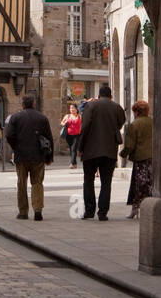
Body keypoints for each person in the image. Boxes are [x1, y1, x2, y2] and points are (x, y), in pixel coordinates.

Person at [76, 85, 125, 221]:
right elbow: (121, 123)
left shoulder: (90, 106)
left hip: (90, 150)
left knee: (88, 180)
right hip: (109, 150)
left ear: (98, 95)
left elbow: (84, 127)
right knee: (106, 182)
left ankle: (89, 210)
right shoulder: (117, 107)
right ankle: (102, 212)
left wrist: (80, 147)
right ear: (111, 96)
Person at [4, 95, 52, 220]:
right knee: (37, 183)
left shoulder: (15, 117)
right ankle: (37, 210)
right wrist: (49, 157)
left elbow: (8, 135)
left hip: (21, 155)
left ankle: (23, 212)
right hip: (38, 155)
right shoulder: (42, 118)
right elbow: (49, 138)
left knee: (21, 183)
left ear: (23, 104)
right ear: (33, 104)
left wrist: (15, 146)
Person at [121, 100, 153, 218]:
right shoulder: (153, 122)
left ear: (136, 112)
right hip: (153, 158)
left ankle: (135, 209)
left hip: (141, 158)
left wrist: (123, 154)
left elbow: (130, 145)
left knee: (139, 184)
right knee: (151, 183)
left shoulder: (134, 125)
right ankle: (150, 207)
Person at [60, 102, 82, 169]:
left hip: (77, 135)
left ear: (76, 109)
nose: (71, 109)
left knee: (73, 149)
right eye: (70, 108)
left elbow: (82, 125)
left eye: (73, 108)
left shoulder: (79, 116)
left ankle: (72, 163)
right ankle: (74, 163)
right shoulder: (67, 116)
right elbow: (62, 123)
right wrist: (64, 123)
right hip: (68, 135)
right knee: (72, 149)